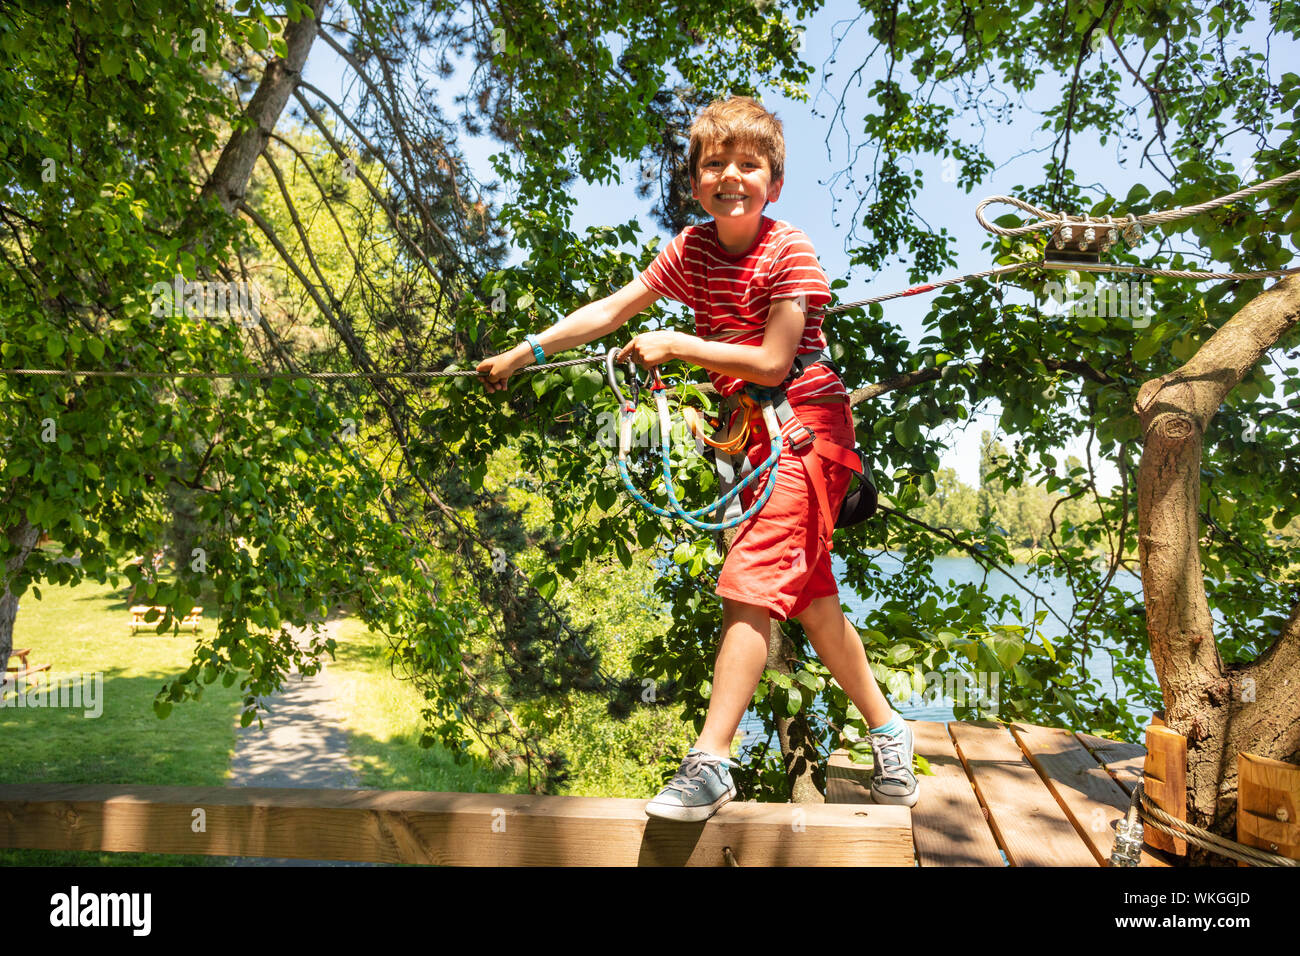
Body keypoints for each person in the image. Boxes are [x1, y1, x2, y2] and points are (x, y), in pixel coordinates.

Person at [476, 95, 917, 820]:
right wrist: (529, 352)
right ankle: (890, 729)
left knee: (747, 585)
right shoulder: (691, 250)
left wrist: (678, 344)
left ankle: (712, 761)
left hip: (805, 428)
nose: (731, 176)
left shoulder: (789, 251)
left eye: (749, 164)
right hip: (755, 435)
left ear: (773, 182)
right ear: (696, 181)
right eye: (714, 164)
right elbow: (614, 310)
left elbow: (776, 361)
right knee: (809, 601)